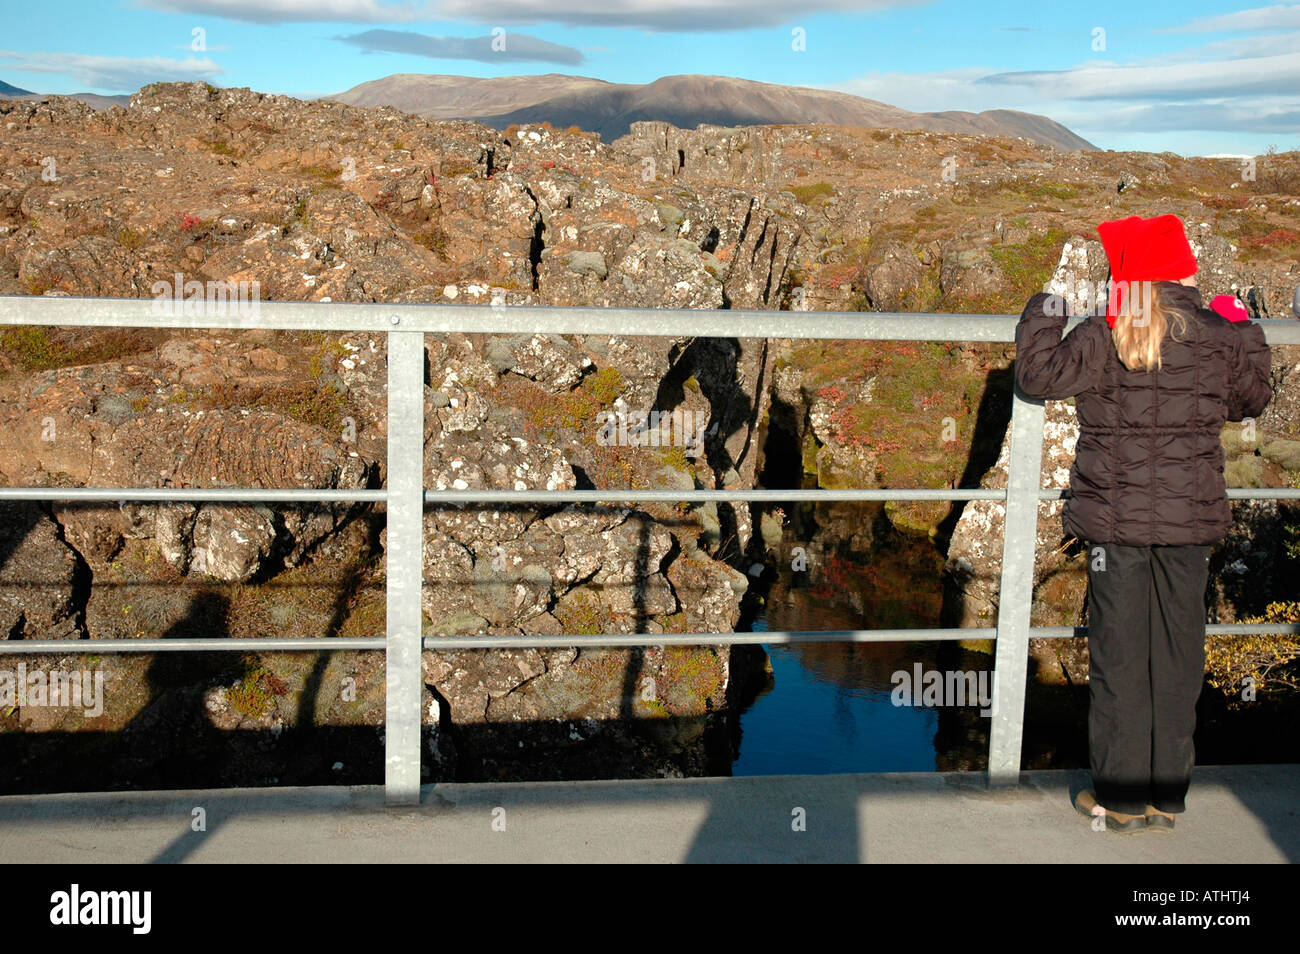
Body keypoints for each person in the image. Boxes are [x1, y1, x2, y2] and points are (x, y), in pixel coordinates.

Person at [1014, 214, 1273, 833]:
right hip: (1189, 525)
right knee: (1179, 655)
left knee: (1119, 656)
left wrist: (1047, 305)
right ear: (1183, 269)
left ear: (1124, 275)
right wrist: (1246, 327)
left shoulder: (1104, 335)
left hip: (1114, 526)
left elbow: (1036, 375)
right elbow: (1252, 399)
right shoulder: (1217, 336)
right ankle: (1167, 796)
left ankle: (1119, 800)